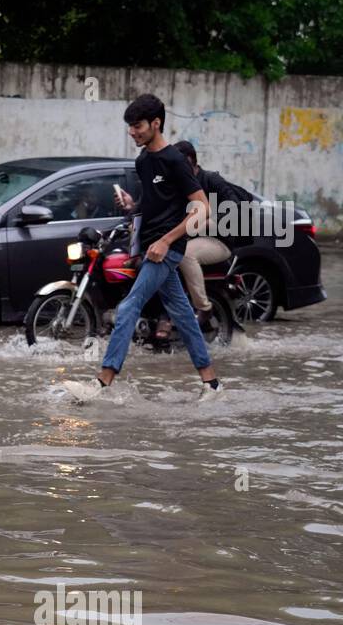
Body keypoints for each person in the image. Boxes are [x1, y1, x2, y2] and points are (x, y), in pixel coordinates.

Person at [63, 94, 223, 403]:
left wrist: (166, 241)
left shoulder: (175, 160)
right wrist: (132, 205)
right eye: (129, 126)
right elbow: (156, 205)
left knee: (128, 306)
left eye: (137, 126)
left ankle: (101, 383)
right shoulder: (143, 161)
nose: (132, 132)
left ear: (156, 123)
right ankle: (212, 384)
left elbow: (202, 209)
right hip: (150, 248)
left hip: (167, 249)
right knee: (183, 315)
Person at [171, 140, 248, 325]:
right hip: (189, 238)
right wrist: (132, 207)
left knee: (185, 254)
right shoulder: (179, 183)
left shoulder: (211, 180)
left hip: (219, 241)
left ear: (190, 161)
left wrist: (208, 223)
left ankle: (204, 307)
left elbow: (236, 207)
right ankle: (166, 316)